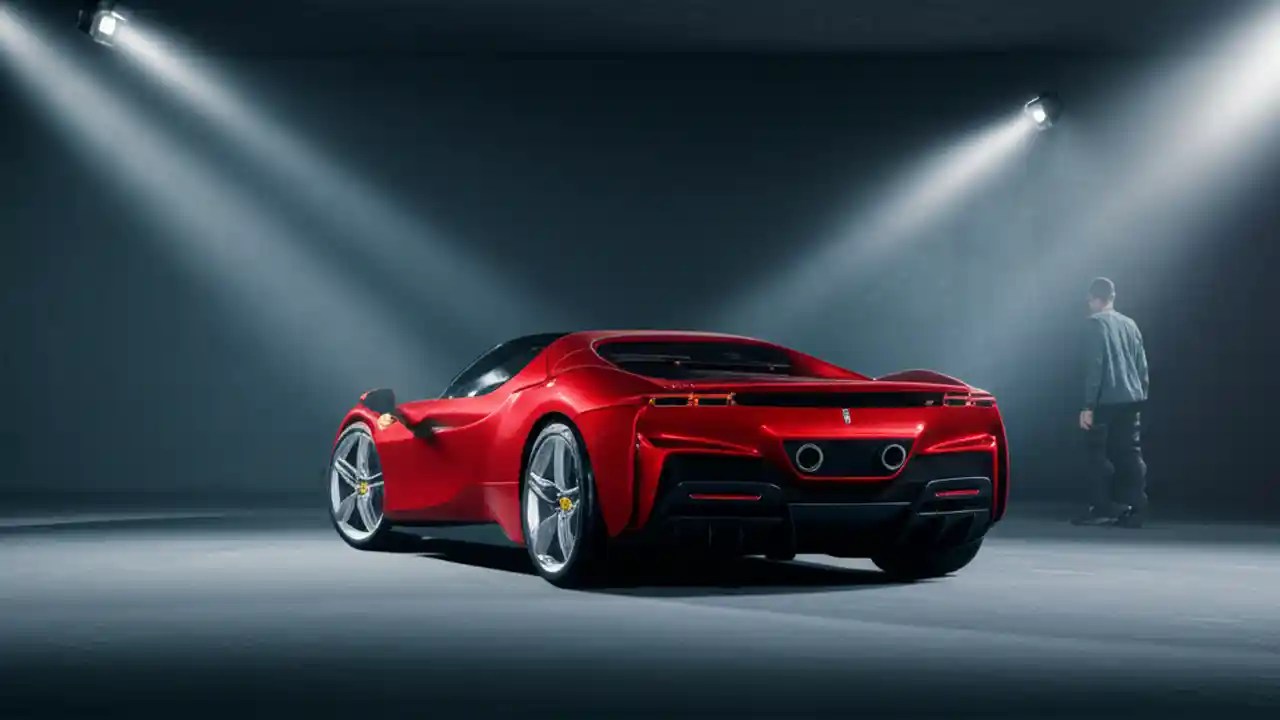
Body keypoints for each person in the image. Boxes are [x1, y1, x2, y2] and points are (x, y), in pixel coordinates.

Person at [1072, 277, 1150, 528]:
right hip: (1131, 399)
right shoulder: (1130, 324)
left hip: (1105, 400)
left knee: (1097, 455)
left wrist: (1088, 406)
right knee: (1130, 453)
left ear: (1093, 298)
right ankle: (1135, 508)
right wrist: (1141, 394)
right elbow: (1142, 365)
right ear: (1112, 297)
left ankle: (1102, 507)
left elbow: (1095, 366)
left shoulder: (1094, 324)